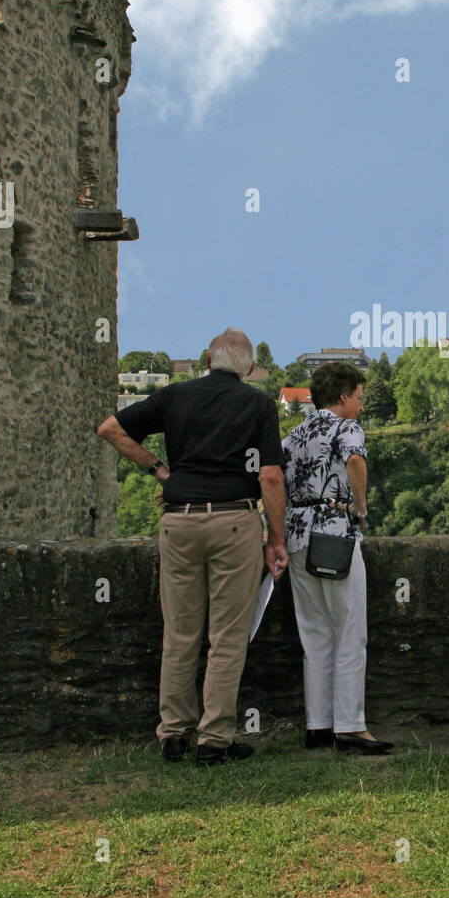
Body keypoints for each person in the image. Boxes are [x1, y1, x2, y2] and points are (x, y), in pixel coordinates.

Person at [97, 328, 287, 766]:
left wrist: (161, 470)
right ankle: (214, 739)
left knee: (180, 631)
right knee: (227, 635)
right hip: (234, 522)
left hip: (178, 521)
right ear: (251, 369)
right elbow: (271, 476)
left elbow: (111, 428)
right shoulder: (257, 404)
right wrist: (274, 538)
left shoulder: (176, 396)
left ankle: (173, 734)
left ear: (207, 360)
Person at [283, 361, 392, 755]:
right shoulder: (346, 427)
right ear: (343, 397)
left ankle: (318, 726)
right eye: (359, 398)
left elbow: (275, 478)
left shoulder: (294, 434)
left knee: (314, 633)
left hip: (296, 536)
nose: (361, 406)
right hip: (334, 534)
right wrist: (359, 508)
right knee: (350, 631)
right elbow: (356, 461)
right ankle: (350, 727)